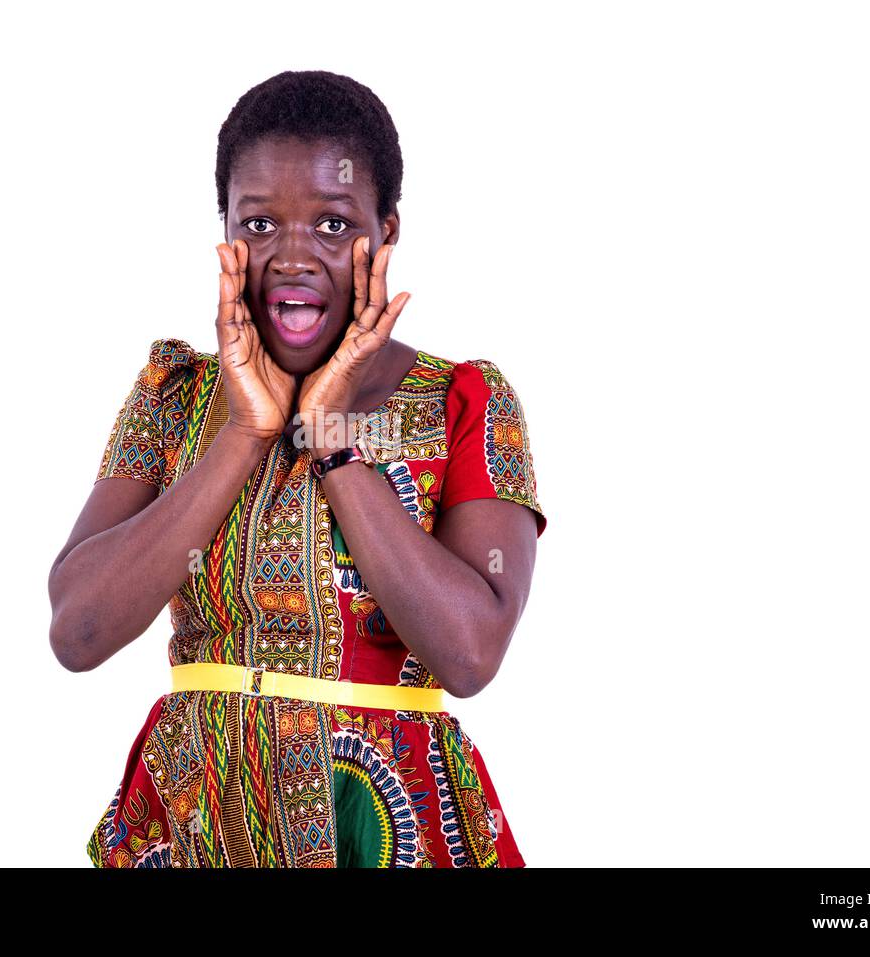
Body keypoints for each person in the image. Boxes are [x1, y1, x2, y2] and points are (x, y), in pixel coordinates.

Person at [49, 70, 547, 868]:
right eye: (258, 222)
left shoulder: (465, 401)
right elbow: (77, 631)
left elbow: (469, 653)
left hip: (389, 828)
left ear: (385, 232)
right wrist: (246, 432)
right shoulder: (174, 395)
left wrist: (334, 442)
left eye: (331, 222)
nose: (291, 256)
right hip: (198, 820)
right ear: (225, 231)